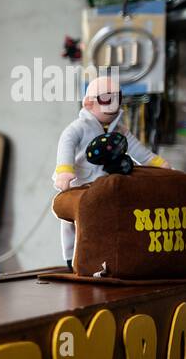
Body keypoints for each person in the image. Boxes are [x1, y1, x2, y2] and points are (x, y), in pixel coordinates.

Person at [53, 73, 167, 265]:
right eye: (106, 98)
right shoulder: (79, 127)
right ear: (89, 103)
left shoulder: (120, 130)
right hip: (80, 185)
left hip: (108, 186)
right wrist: (64, 170)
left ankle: (107, 259)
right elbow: (66, 144)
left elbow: (139, 151)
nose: (112, 104)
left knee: (110, 221)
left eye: (117, 98)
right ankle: (71, 259)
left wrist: (160, 165)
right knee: (73, 222)